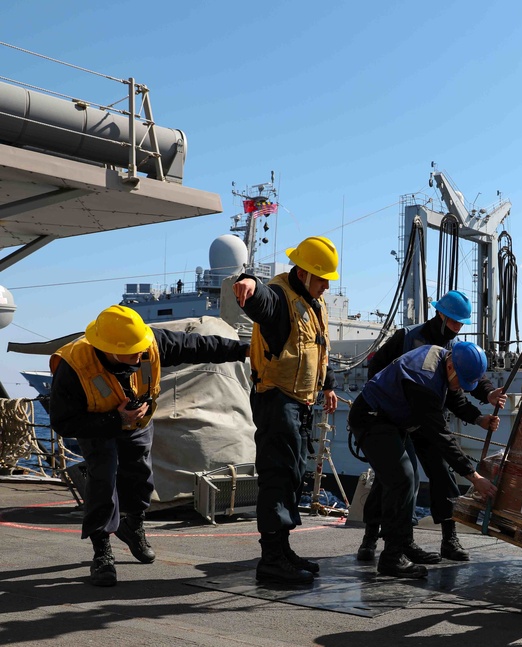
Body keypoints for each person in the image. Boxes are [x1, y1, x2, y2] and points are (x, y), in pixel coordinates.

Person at [49, 305, 249, 587]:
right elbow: (64, 422)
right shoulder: (74, 365)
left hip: (138, 424)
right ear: (108, 349)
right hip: (97, 427)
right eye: (132, 352)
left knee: (141, 476)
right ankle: (102, 552)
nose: (141, 355)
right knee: (103, 480)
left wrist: (244, 351)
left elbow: (196, 346)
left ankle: (133, 525)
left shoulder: (148, 344)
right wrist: (114, 419)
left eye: (142, 349)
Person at [358, 290, 507, 564]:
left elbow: (464, 384)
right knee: (396, 478)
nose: (458, 328)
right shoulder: (406, 337)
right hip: (396, 419)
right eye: (454, 322)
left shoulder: (455, 349)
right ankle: (371, 538)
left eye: (461, 324)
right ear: (440, 315)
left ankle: (448, 539)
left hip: (426, 421)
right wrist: (391, 403)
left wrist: (483, 405)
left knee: (441, 474)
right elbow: (376, 368)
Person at [232, 236, 340, 585]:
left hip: (300, 404)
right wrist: (248, 280)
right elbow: (261, 301)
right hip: (277, 400)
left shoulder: (313, 302)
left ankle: (283, 549)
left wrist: (329, 385)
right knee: (278, 477)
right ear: (304, 273)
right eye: (322, 277)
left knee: (294, 476)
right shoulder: (280, 297)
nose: (326, 285)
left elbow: (318, 347)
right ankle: (272, 559)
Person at [348, 341, 498, 578]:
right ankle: (392, 557)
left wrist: (478, 418)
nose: (462, 387)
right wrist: (474, 476)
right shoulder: (423, 380)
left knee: (411, 479)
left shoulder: (443, 357)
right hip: (372, 418)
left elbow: (454, 394)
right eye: (462, 380)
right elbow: (440, 436)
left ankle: (404, 545)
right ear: (451, 367)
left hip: (393, 420)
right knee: (401, 479)